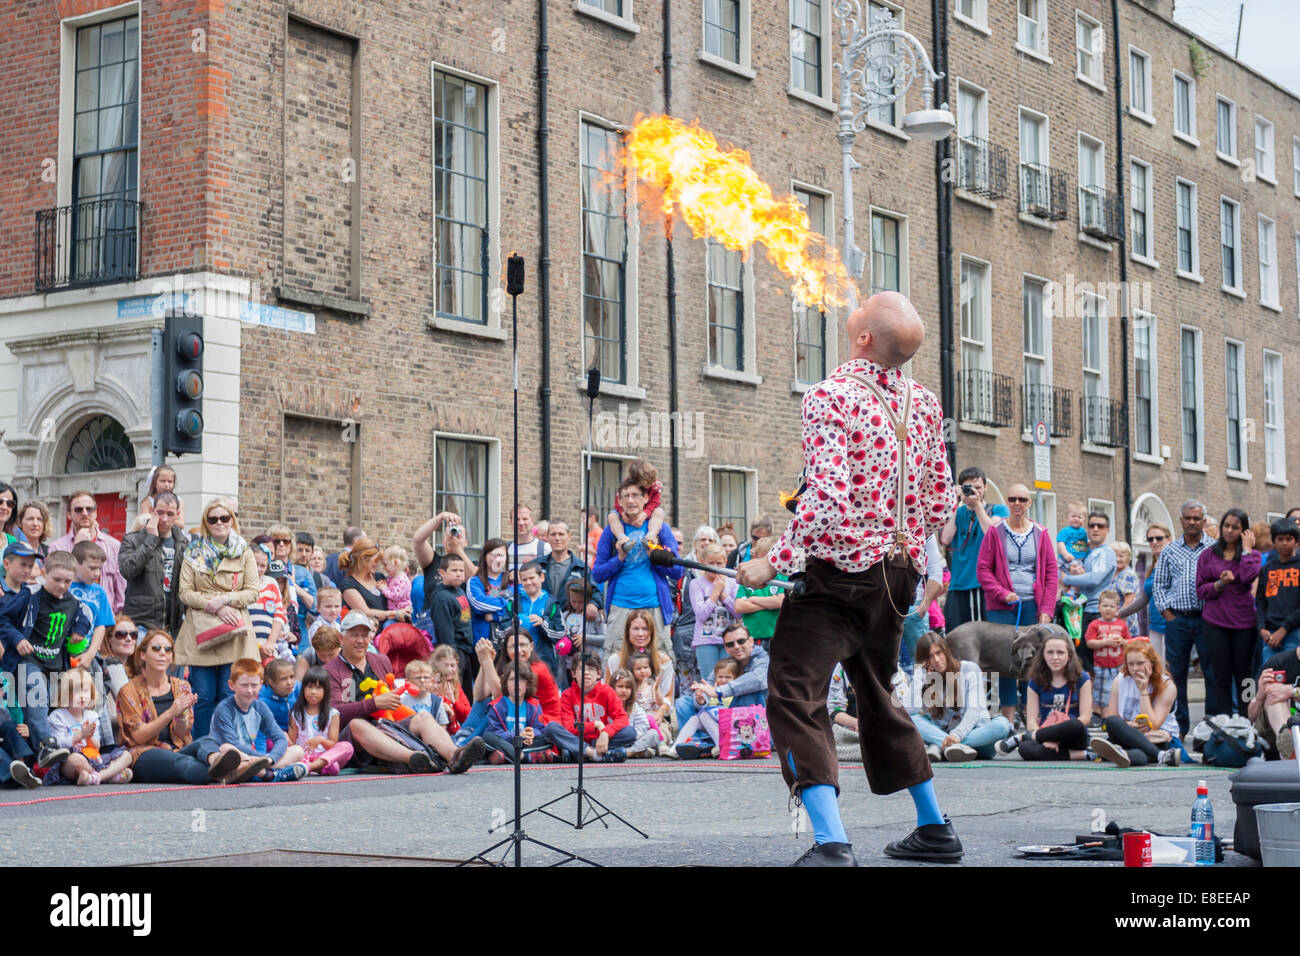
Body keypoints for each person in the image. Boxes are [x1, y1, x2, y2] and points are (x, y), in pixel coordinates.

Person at [738, 291, 961, 866]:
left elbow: (830, 499)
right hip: (899, 577)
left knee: (794, 694)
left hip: (837, 579)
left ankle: (832, 844)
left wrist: (775, 561)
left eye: (863, 306)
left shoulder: (829, 396)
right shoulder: (926, 403)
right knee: (876, 694)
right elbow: (942, 501)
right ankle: (935, 828)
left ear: (864, 337)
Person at [325, 611, 485, 774]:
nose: (360, 640)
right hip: (353, 741)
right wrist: (374, 704)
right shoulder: (330, 670)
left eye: (364, 635)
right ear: (340, 638)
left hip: (387, 725)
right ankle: (416, 758)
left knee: (423, 716)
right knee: (357, 724)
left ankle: (456, 756)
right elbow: (336, 713)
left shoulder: (380, 660)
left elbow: (393, 699)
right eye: (354, 635)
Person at [173, 498, 261, 738]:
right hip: (202, 632)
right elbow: (185, 592)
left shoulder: (244, 551)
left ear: (233, 520)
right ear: (206, 523)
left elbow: (253, 590)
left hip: (234, 632)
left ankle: (228, 746)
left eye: (225, 518)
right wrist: (213, 605)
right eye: (213, 519)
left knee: (227, 695)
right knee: (203, 696)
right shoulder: (193, 551)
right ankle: (204, 746)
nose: (220, 523)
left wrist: (225, 601)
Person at [0, 549, 92, 770]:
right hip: (28, 659)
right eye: (56, 579)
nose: (61, 585)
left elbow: (85, 618)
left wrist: (79, 630)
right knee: (37, 695)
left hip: (54, 663)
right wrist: (17, 638)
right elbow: (3, 619)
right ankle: (46, 745)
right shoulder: (30, 596)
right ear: (44, 573)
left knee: (47, 706)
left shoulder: (73, 602)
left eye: (67, 581)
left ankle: (40, 760)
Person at [117, 629, 245, 785]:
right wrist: (171, 712)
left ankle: (215, 760)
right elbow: (138, 737)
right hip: (144, 754)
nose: (163, 653)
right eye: (156, 648)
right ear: (143, 655)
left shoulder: (182, 686)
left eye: (168, 649)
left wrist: (181, 714)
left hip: (176, 750)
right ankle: (235, 772)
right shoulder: (128, 691)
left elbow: (182, 733)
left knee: (206, 740)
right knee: (186, 764)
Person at [975, 481, 1057, 721]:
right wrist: (1002, 593)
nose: (1017, 504)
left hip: (1033, 604)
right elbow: (983, 570)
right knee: (1005, 662)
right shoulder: (995, 531)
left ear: (1029, 502)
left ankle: (1033, 716)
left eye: (1022, 499)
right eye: (1012, 500)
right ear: (1007, 503)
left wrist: (1046, 609)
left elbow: (1051, 573)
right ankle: (1008, 718)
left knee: (1034, 659)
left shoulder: (1041, 533)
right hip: (1002, 607)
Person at [592, 479, 682, 663]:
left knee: (658, 661)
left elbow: (678, 571)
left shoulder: (660, 529)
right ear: (620, 500)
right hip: (620, 607)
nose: (631, 501)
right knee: (616, 661)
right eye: (626, 496)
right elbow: (598, 573)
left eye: (635, 495)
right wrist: (619, 559)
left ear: (645, 499)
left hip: (654, 607)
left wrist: (654, 556)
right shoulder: (612, 531)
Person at [1152, 500, 1215, 735]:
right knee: (1176, 674)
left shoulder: (1214, 548)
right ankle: (1179, 726)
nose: (1192, 522)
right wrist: (1169, 616)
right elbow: (1159, 586)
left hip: (1207, 620)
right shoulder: (1169, 550)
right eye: (1188, 518)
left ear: (1203, 521)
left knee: (1211, 671)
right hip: (1178, 620)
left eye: (1196, 518)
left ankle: (1210, 725)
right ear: (1181, 520)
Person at [903, 632, 1011, 762]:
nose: (936, 660)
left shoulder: (969, 669)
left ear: (946, 651)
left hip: (978, 739)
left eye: (939, 653)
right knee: (913, 720)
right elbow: (909, 712)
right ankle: (950, 747)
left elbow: (974, 710)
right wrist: (919, 674)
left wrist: (956, 736)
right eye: (930, 657)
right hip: (944, 734)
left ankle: (942, 746)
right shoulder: (925, 678)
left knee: (1003, 724)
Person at [1196, 507, 1260, 717]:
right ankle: (1224, 720)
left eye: (1235, 527)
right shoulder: (1207, 555)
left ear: (1244, 531)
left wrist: (1248, 550)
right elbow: (1200, 590)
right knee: (1221, 675)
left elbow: (1249, 576)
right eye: (1226, 526)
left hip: (1245, 624)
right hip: (1215, 623)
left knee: (1246, 675)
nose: (1229, 531)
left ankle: (1247, 716)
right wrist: (1219, 584)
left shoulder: (1253, 556)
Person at [997, 635, 1096, 762]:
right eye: (1050, 652)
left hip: (1074, 735)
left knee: (1076, 724)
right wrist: (1045, 737)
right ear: (1043, 655)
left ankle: (1023, 737)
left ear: (1069, 655)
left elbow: (1085, 718)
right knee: (1025, 749)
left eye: (1060, 653)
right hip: (1045, 735)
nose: (1055, 657)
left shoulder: (1082, 678)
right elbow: (1031, 720)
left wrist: (1056, 738)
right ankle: (1084, 755)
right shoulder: (1035, 681)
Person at [209, 658, 308, 782]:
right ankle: (271, 774)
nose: (250, 691)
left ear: (261, 684)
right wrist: (262, 758)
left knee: (298, 751)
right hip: (232, 758)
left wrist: (270, 759)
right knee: (227, 748)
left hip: (254, 759)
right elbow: (232, 743)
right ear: (231, 685)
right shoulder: (224, 709)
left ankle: (260, 771)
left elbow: (280, 738)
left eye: (254, 685)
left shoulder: (260, 707)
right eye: (244, 685)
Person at [1092, 639, 1182, 767]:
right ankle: (1161, 756)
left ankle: (1122, 753)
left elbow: (1154, 725)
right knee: (1112, 722)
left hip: (1156, 738)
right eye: (1131, 664)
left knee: (1140, 755)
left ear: (1151, 662)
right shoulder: (1120, 681)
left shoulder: (1167, 685)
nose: (1135, 669)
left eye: (1140, 663)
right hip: (1127, 733)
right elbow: (1112, 718)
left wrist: (1143, 690)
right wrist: (1131, 725)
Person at [938, 466, 1008, 630]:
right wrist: (953, 503)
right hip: (958, 583)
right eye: (969, 488)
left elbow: (993, 534)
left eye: (978, 487)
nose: (974, 492)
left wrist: (977, 507)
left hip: (983, 584)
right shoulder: (958, 512)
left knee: (981, 635)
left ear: (985, 488)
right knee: (957, 635)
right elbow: (945, 539)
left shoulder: (998, 509)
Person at [673, 621, 769, 735]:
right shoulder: (726, 663)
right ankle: (695, 742)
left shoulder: (764, 659)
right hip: (724, 715)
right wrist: (701, 699)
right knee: (683, 702)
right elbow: (708, 685)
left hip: (757, 727)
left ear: (751, 641)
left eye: (741, 641)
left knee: (747, 694)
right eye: (730, 644)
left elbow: (758, 680)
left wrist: (719, 691)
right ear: (726, 648)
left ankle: (739, 742)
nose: (737, 646)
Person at [43, 669, 134, 786]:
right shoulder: (58, 716)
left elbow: (97, 746)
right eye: (77, 692)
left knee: (127, 755)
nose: (82, 697)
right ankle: (108, 776)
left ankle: (95, 777)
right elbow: (57, 744)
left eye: (85, 692)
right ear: (65, 694)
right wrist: (80, 735)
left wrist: (89, 737)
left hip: (93, 758)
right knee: (75, 760)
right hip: (69, 760)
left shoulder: (92, 716)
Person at [118, 492, 186, 637]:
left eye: (170, 514)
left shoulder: (184, 545)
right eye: (159, 513)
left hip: (173, 628)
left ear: (178, 515)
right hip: (141, 625)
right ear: (151, 511)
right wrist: (150, 539)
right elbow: (127, 570)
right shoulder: (133, 540)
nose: (164, 519)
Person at [542, 653, 633, 762]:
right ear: (573, 673)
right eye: (581, 669)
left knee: (630, 732)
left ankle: (580, 753)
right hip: (577, 739)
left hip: (600, 739)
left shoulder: (608, 692)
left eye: (591, 669)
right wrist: (594, 725)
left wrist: (606, 733)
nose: (586, 672)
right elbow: (568, 727)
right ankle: (593, 753)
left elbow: (622, 719)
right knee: (551, 728)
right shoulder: (567, 695)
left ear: (599, 674)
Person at [47, 491, 125, 613]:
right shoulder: (57, 547)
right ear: (69, 514)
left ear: (96, 513)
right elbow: (57, 584)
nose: (84, 513)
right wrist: (76, 547)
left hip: (105, 619)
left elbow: (121, 586)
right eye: (78, 510)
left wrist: (117, 616)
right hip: (69, 616)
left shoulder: (114, 546)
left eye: (89, 509)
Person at [1060, 511, 1117, 671]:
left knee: (1093, 666)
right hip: (1082, 611)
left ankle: (1096, 696)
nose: (1096, 529)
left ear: (1108, 530)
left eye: (1101, 526)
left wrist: (1066, 579)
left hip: (1096, 613)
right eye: (1092, 525)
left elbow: (1094, 579)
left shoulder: (1104, 552)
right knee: (1082, 664)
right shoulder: (1088, 553)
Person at [1118, 522, 1172, 660]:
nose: (1154, 542)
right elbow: (1144, 598)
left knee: (1170, 670)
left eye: (1159, 538)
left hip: (1171, 625)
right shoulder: (1152, 568)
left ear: (1169, 539)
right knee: (1157, 670)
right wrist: (1121, 613)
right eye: (1150, 539)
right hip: (1154, 625)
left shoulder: (1175, 564)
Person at [288, 666, 354, 775]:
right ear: (303, 688)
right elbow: (292, 742)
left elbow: (333, 744)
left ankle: (310, 767)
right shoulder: (296, 714)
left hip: (324, 756)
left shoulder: (333, 714)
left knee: (347, 747)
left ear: (325, 691)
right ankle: (317, 768)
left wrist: (320, 740)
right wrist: (285, 738)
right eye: (309, 687)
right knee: (334, 767)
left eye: (318, 688)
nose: (313, 692)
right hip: (303, 756)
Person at [687, 543, 738, 680]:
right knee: (709, 680)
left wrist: (724, 596)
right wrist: (715, 592)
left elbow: (738, 612)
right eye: (711, 563)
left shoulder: (733, 583)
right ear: (702, 562)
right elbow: (701, 614)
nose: (715, 567)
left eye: (719, 563)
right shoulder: (696, 584)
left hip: (729, 639)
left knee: (728, 679)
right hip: (705, 640)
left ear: (726, 562)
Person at [605, 609, 673, 711]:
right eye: (636, 629)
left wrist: (661, 711)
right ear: (628, 632)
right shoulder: (614, 660)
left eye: (645, 629)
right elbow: (607, 694)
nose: (640, 634)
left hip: (654, 715)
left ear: (652, 632)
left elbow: (669, 697)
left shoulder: (664, 661)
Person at [672, 658, 741, 757]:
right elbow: (705, 703)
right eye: (720, 677)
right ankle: (675, 748)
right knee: (694, 718)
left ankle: (721, 746)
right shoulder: (712, 689)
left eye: (728, 677)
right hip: (711, 724)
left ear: (735, 678)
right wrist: (700, 699)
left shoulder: (735, 691)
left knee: (704, 715)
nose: (723, 680)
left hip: (728, 726)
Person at [505, 561, 564, 676]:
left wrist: (543, 623)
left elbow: (560, 634)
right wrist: (510, 626)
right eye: (524, 579)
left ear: (541, 577)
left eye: (532, 578)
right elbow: (501, 632)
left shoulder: (551, 603)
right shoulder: (513, 602)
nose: (528, 582)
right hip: (517, 662)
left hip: (544, 661)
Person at [1256, 518, 1300, 671]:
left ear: (1296, 541)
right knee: (1269, 679)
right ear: (1273, 541)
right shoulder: (1267, 569)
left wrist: (1284, 628)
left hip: (1295, 632)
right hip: (1270, 635)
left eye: (1289, 539)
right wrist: (1261, 628)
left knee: (1293, 682)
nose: (1284, 543)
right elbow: (1261, 601)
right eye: (1280, 539)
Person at [484, 661, 547, 763]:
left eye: (521, 679)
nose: (517, 684)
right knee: (488, 737)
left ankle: (507, 756)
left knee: (547, 736)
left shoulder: (534, 705)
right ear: (506, 682)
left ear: (528, 683)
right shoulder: (497, 705)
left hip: (525, 743)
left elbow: (540, 729)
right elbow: (495, 731)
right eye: (512, 679)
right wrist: (518, 736)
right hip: (508, 742)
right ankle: (524, 756)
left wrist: (531, 734)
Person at [535, 520, 601, 618]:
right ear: (547, 537)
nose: (557, 538)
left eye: (561, 534)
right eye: (553, 534)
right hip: (540, 622)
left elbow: (596, 592)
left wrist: (593, 604)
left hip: (570, 624)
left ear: (569, 536)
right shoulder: (538, 566)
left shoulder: (581, 568)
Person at [1248, 641, 1300, 759]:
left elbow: (1290, 691)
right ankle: (1289, 742)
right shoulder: (1278, 662)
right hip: (1277, 729)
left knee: (1282, 691)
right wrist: (1261, 694)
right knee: (1273, 690)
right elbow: (1252, 716)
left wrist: (1291, 691)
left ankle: (1292, 749)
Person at [606, 459, 666, 561]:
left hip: (648, 511)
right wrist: (622, 512)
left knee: (659, 512)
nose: (649, 486)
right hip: (628, 512)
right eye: (645, 483)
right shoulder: (626, 486)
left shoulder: (656, 485)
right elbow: (617, 502)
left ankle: (650, 536)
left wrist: (645, 514)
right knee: (612, 516)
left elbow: (655, 502)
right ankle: (622, 538)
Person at [733, 536, 786, 651]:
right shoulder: (747, 578)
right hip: (753, 636)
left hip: (775, 634)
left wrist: (752, 599)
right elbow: (739, 606)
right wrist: (770, 602)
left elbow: (781, 601)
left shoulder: (782, 576)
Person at [340, 538, 406, 629]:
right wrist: (394, 613)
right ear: (363, 558)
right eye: (375, 561)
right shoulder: (348, 585)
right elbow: (366, 612)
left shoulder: (380, 577)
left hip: (391, 631)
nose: (377, 564)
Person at [1084, 590, 1131, 716]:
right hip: (1101, 666)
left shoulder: (1122, 625)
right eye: (1105, 606)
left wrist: (1122, 641)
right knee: (1102, 693)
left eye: (1111, 606)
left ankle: (1117, 716)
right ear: (1099, 607)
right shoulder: (1095, 624)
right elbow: (1089, 642)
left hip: (1118, 665)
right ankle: (1104, 717)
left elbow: (1129, 643)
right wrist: (1105, 642)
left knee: (1119, 691)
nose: (1108, 609)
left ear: (1117, 608)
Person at [467, 538, 511, 647]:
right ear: (485, 557)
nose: (498, 559)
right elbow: (479, 604)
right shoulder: (474, 582)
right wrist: (506, 602)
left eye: (501, 555)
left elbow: (518, 608)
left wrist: (496, 616)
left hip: (508, 644)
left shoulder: (512, 580)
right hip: (482, 642)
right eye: (493, 555)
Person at [611, 667, 662, 757]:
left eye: (627, 687)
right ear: (612, 688)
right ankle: (637, 752)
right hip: (614, 740)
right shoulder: (607, 705)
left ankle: (628, 753)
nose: (624, 690)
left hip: (633, 740)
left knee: (653, 733)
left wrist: (633, 738)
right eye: (620, 686)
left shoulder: (635, 707)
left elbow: (643, 726)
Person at [1055, 501, 1090, 597]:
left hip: (1079, 559)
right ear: (1067, 517)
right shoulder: (1065, 531)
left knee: (1078, 574)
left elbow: (1085, 544)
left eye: (1079, 517)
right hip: (1068, 559)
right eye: (1073, 516)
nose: (1076, 519)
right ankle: (1067, 593)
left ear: (1084, 520)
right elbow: (1060, 543)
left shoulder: (1083, 532)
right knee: (1068, 575)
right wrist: (1066, 554)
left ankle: (1072, 593)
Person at [506, 503, 550, 571]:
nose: (521, 523)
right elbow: (499, 577)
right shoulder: (505, 550)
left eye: (525, 519)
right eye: (517, 519)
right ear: (510, 522)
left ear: (532, 521)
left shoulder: (545, 549)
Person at [1112, 542, 1141, 633]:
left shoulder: (1128, 575)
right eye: (1115, 556)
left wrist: (1118, 617)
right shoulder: (1113, 574)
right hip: (1112, 620)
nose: (1117, 559)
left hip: (1123, 621)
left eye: (1121, 556)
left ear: (1128, 558)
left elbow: (1129, 600)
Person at [380, 544, 413, 619]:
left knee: (387, 625)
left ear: (395, 563)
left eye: (386, 565)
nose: (384, 568)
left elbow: (395, 596)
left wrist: (384, 588)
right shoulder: (393, 577)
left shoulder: (402, 580)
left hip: (401, 614)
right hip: (395, 613)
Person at [16, 500, 52, 565]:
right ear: (20, 522)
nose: (35, 523)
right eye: (30, 519)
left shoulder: (49, 552)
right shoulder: (13, 549)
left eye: (39, 519)